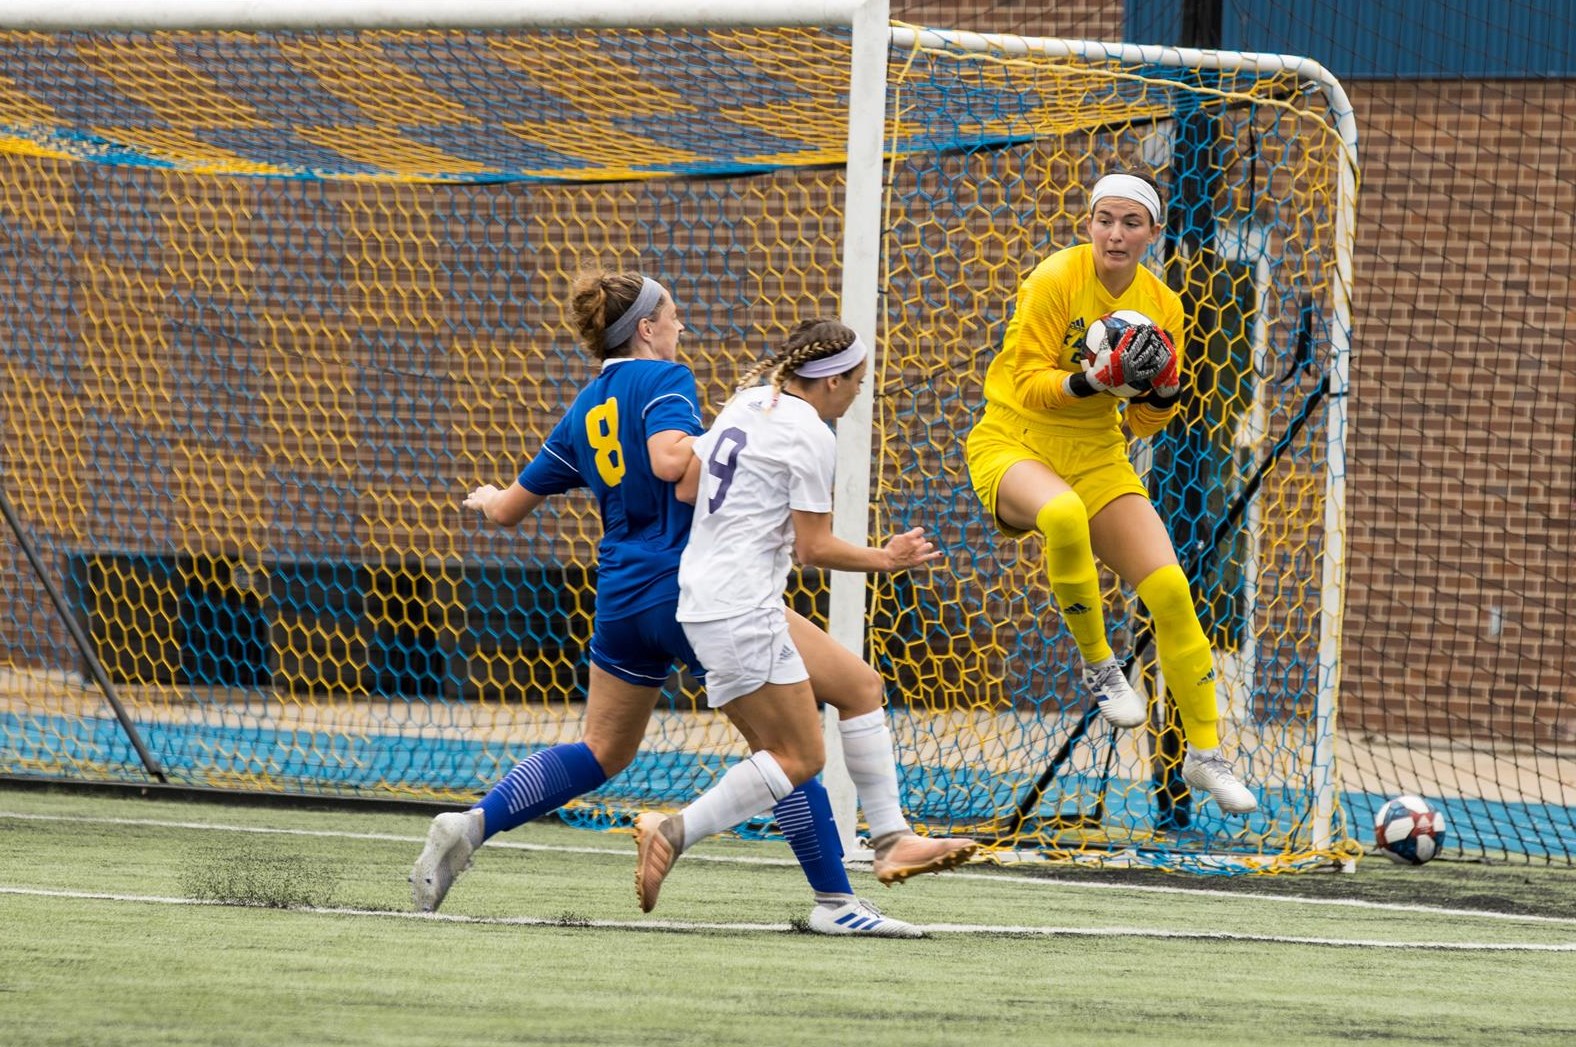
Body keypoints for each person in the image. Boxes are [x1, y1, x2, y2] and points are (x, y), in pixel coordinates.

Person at [410, 271, 923, 937]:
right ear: (646, 329)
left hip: (621, 596)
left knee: (601, 749)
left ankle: (473, 821)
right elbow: (668, 460)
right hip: (696, 587)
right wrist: (712, 445)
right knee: (788, 743)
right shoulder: (666, 381)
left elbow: (509, 509)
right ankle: (836, 899)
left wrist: (484, 497)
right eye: (674, 316)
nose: (683, 327)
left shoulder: (583, 408)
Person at [632, 318, 980, 914]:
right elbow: (812, 549)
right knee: (801, 759)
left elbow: (688, 489)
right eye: (858, 384)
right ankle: (673, 831)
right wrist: (887, 558)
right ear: (831, 380)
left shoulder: (747, 402)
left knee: (860, 686)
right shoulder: (812, 435)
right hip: (738, 606)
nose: (858, 395)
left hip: (719, 596)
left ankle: (893, 840)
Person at [962, 170, 1257, 814]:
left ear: (1153, 231)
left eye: (1130, 223)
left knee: (1173, 593)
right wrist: (1092, 380)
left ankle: (1207, 757)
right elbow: (1032, 381)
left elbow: (1144, 422)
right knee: (1062, 514)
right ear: (1088, 223)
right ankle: (1101, 667)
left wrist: (1164, 389)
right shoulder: (1053, 280)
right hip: (1014, 440)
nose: (1114, 234)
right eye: (1104, 219)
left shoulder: (1163, 304)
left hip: (1098, 454)